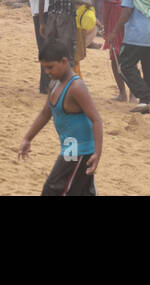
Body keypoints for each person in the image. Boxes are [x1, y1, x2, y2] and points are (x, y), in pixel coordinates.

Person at [17, 40, 103, 196]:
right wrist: (28, 138)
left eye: (50, 67)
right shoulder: (54, 83)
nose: (47, 71)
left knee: (52, 190)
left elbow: (96, 119)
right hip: (69, 148)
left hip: (79, 151)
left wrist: (97, 153)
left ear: (64, 61)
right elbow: (45, 113)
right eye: (44, 67)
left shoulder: (76, 87)